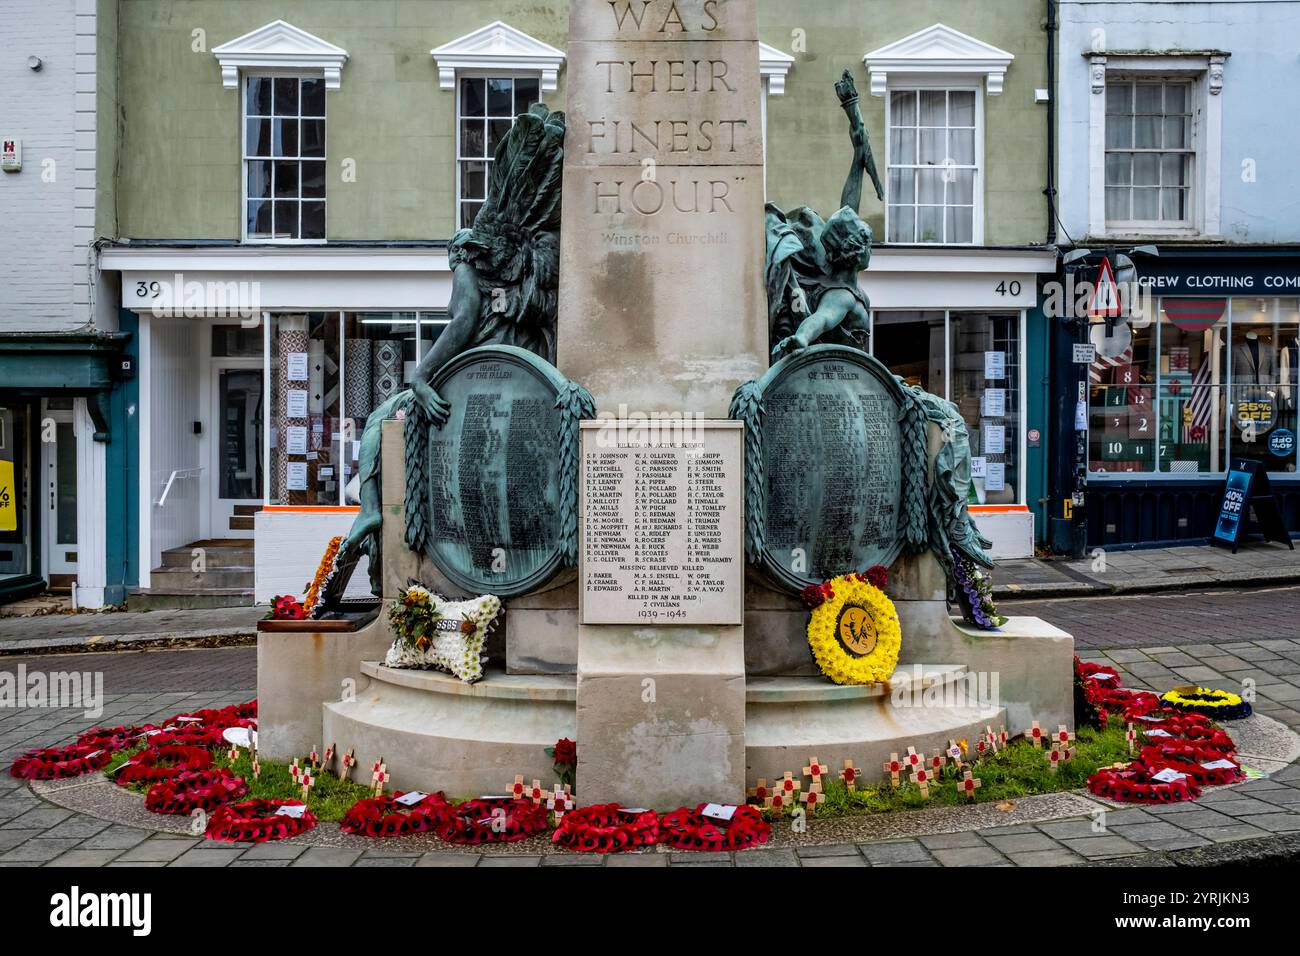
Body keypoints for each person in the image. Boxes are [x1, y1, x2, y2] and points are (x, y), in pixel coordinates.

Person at [766, 70, 883, 357]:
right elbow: (821, 320)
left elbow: (848, 203)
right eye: (866, 242)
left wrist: (854, 117)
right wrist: (802, 339)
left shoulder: (839, 279)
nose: (871, 249)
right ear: (853, 251)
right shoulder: (841, 296)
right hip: (837, 377)